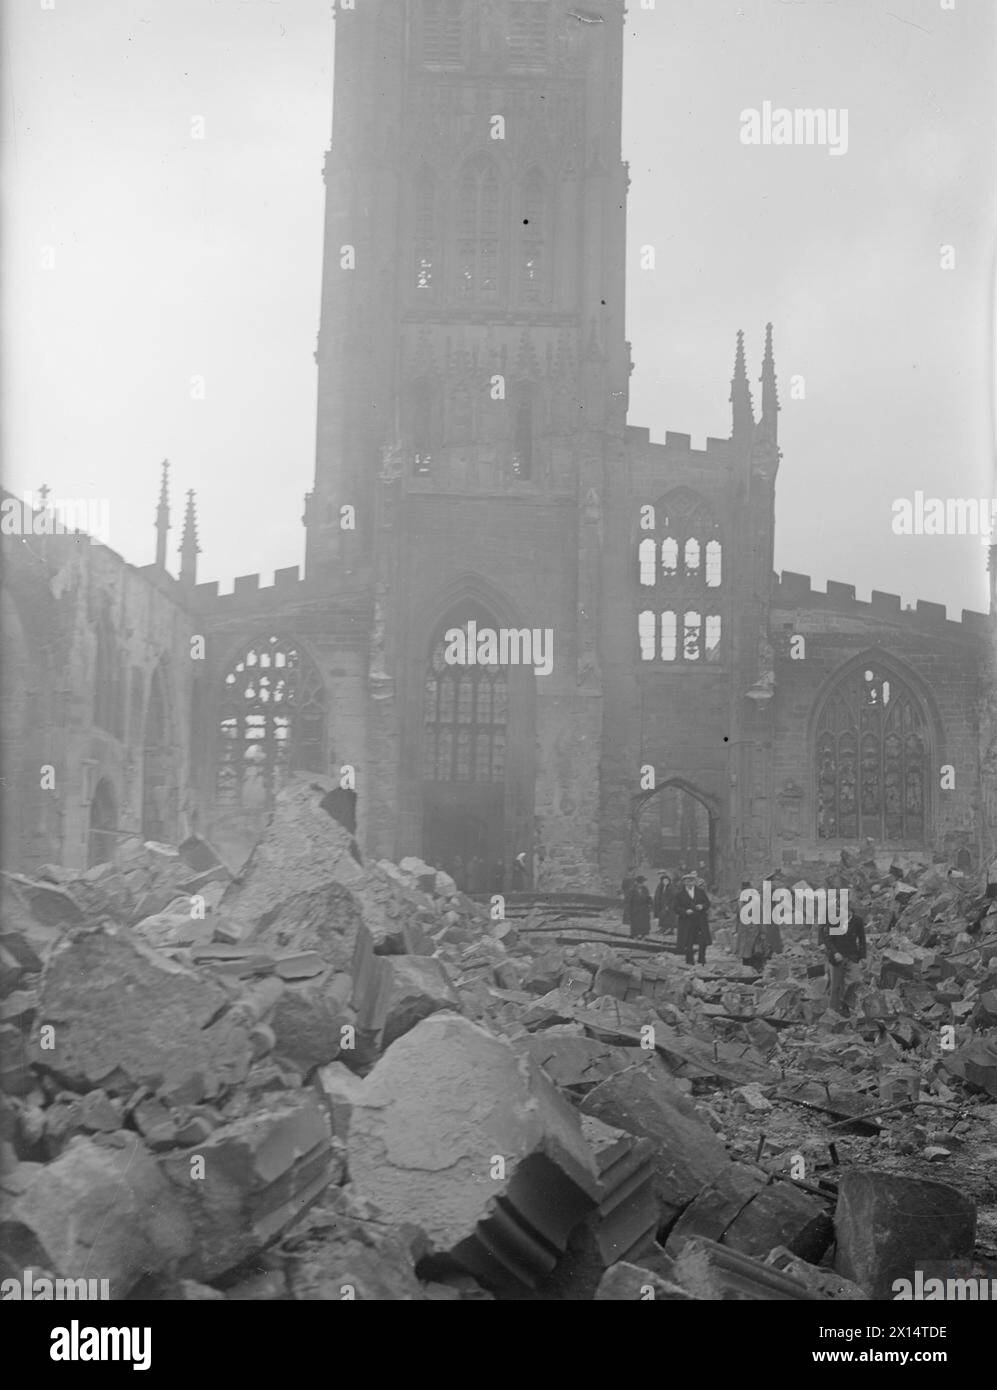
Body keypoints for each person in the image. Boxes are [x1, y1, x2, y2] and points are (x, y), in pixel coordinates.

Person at [820, 909, 867, 1014]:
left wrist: (863, 956)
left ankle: (846, 1003)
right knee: (836, 987)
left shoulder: (857, 920)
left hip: (852, 956)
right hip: (836, 958)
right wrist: (835, 952)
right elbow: (827, 938)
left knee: (856, 980)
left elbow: (862, 939)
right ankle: (832, 1012)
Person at [674, 870, 711, 966]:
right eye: (687, 881)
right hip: (687, 921)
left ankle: (701, 960)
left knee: (703, 941)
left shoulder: (700, 892)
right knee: (688, 942)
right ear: (684, 882)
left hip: (700, 920)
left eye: (691, 881)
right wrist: (685, 911)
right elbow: (675, 907)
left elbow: (707, 903)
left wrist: (702, 906)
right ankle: (689, 961)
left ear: (694, 882)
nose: (689, 883)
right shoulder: (679, 894)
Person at [628, 875, 652, 939]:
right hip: (635, 909)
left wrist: (649, 903)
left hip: (644, 909)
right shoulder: (632, 890)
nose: (641, 884)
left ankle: (643, 934)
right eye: (640, 883)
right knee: (635, 922)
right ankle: (635, 934)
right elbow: (630, 901)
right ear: (637, 882)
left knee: (644, 922)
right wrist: (630, 910)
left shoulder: (645, 889)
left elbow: (648, 898)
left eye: (642, 882)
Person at [652, 871, 674, 938]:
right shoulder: (662, 884)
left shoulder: (670, 886)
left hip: (668, 905)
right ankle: (663, 928)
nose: (659, 876)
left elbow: (671, 896)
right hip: (662, 903)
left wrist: (667, 905)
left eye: (661, 874)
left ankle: (669, 929)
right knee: (662, 916)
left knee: (668, 917)